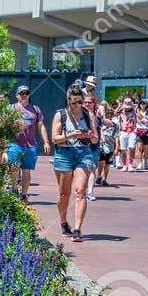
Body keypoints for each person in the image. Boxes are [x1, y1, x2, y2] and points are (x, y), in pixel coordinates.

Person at [50, 83, 98, 242]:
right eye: (74, 102)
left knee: (80, 190)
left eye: (80, 102)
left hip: (83, 154)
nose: (77, 106)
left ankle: (77, 229)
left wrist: (90, 135)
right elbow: (55, 138)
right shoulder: (60, 115)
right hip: (64, 153)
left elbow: (96, 138)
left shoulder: (87, 114)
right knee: (64, 194)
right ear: (68, 100)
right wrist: (72, 135)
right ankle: (64, 223)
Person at [5, 84, 50, 200]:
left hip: (30, 145)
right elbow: (3, 125)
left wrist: (46, 142)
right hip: (14, 144)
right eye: (21, 93)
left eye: (26, 93)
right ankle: (14, 192)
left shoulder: (35, 110)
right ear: (17, 96)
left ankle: (23, 195)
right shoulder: (11, 109)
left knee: (26, 171)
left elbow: (41, 127)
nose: (24, 95)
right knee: (14, 168)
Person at [94, 101, 118, 186]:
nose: (110, 115)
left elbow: (116, 137)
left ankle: (104, 179)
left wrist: (116, 148)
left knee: (107, 163)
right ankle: (99, 176)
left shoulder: (115, 125)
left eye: (111, 114)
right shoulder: (101, 123)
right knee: (101, 160)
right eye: (108, 114)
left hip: (110, 146)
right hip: (101, 145)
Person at [116, 97, 139, 172]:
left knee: (132, 148)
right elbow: (114, 114)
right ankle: (124, 165)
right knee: (123, 149)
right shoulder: (120, 111)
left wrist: (135, 108)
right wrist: (120, 106)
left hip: (132, 131)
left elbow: (140, 117)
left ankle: (130, 165)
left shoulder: (134, 111)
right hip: (123, 131)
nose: (127, 108)